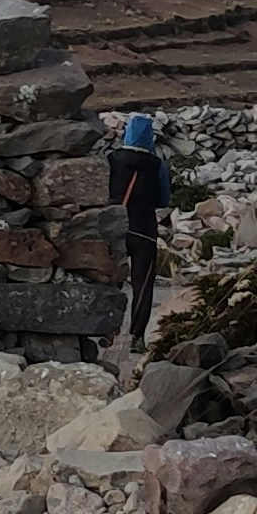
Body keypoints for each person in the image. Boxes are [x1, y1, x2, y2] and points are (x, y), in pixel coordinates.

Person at [104, 109, 175, 351]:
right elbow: (163, 201)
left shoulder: (111, 159)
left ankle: (107, 329)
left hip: (116, 228)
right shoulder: (157, 165)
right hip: (144, 230)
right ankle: (136, 337)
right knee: (142, 284)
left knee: (112, 281)